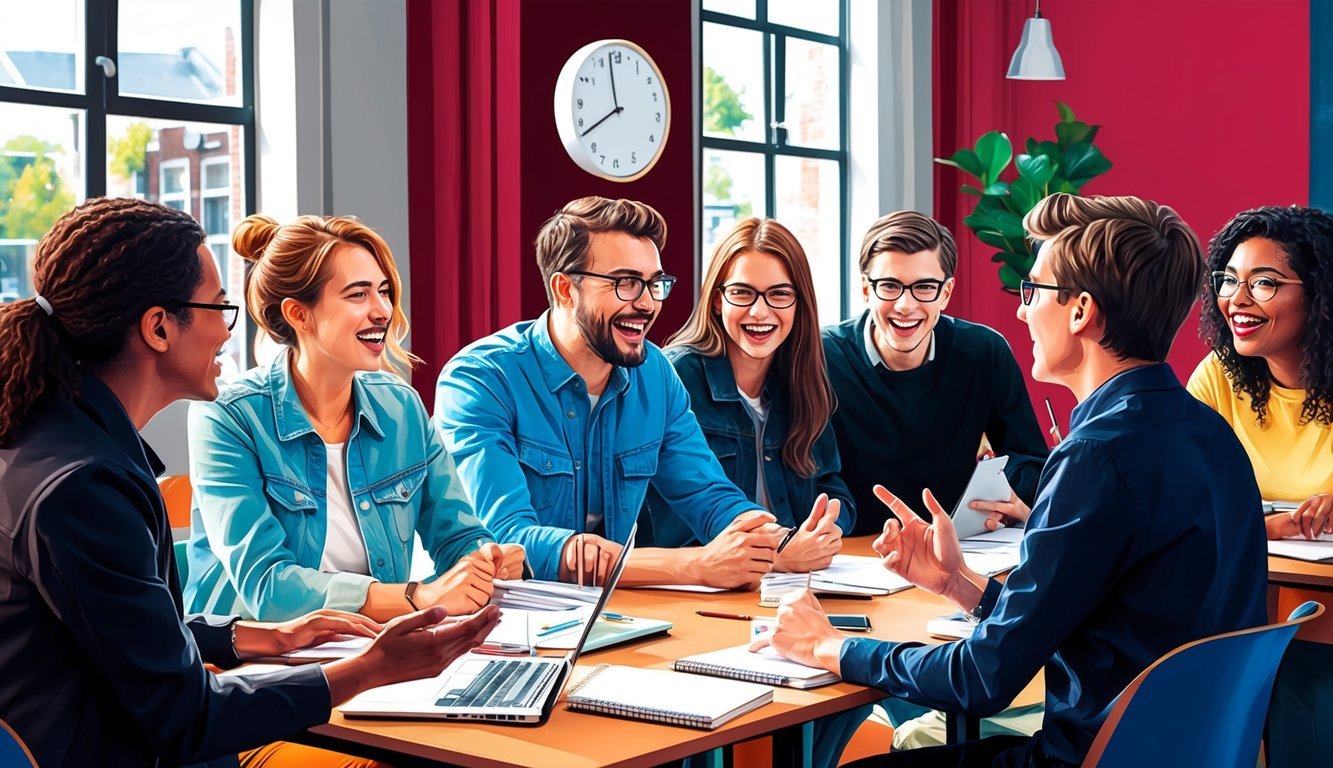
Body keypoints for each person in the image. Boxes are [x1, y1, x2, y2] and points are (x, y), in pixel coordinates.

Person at [754, 193, 1269, 767]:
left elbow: (981, 678)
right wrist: (959, 583)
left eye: (1035, 291)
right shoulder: (1212, 434)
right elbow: (1087, 619)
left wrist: (829, 646)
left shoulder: (1095, 458)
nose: (1023, 311)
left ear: (1081, 312)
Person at [0, 198, 499, 768]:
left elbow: (127, 628)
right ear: (159, 328)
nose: (227, 329)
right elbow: (187, 719)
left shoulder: (63, 445)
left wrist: (257, 637)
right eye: (217, 307)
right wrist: (370, 668)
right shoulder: (82, 488)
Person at [435, 196, 822, 588]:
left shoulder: (655, 374)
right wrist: (694, 566)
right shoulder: (480, 379)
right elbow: (507, 541)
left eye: (655, 284)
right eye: (625, 284)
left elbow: (709, 495)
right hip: (500, 624)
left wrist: (769, 538)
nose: (648, 303)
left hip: (615, 617)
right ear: (566, 289)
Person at [185, 214, 523, 622]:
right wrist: (419, 596)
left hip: (376, 648)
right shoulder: (226, 418)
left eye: (383, 291)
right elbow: (268, 587)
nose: (383, 310)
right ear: (298, 314)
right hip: (248, 664)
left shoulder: (403, 408)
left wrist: (486, 562)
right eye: (358, 295)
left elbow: (458, 536)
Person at [1187, 205, 1333, 768]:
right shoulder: (1218, 376)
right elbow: (1188, 501)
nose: (1237, 300)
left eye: (1265, 283)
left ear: (1319, 293)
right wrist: (1269, 522)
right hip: (1244, 596)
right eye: (1229, 279)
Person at [822, 211, 1048, 536]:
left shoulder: (984, 351)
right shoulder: (823, 357)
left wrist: (1005, 495)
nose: (905, 305)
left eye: (924, 287)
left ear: (946, 292)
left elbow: (1030, 460)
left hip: (959, 547)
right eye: (889, 286)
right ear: (865, 290)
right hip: (853, 551)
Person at [646, 217, 851, 568]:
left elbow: (832, 485)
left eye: (779, 294)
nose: (760, 311)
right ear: (716, 300)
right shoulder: (674, 377)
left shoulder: (802, 380)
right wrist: (778, 550)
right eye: (742, 293)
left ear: (799, 303)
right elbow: (676, 520)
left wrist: (829, 525)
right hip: (696, 587)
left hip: (792, 580)